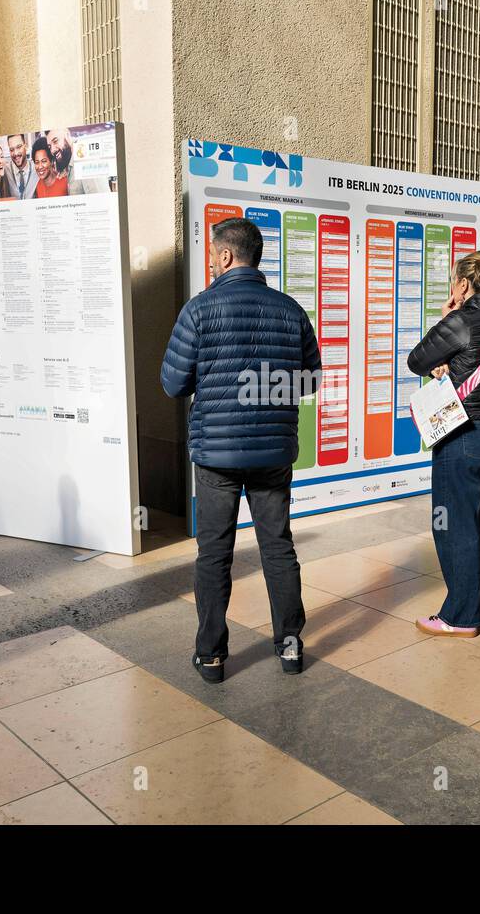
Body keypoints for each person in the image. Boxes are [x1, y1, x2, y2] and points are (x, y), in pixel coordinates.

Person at [160, 216, 321, 683]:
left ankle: (211, 656)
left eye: (213, 252)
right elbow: (309, 380)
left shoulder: (199, 310)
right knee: (278, 548)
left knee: (214, 553)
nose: (210, 259)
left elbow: (172, 383)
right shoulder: (290, 311)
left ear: (226, 256)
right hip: (273, 453)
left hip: (216, 456)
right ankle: (290, 648)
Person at [407, 250, 480, 635]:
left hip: (466, 434)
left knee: (454, 524)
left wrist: (446, 315)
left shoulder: (463, 319)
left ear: (463, 284)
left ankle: (460, 616)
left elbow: (418, 359)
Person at [5, 133, 38, 199]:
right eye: (11, 150)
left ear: (25, 146)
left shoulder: (37, 168)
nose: (15, 153)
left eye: (19, 147)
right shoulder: (5, 170)